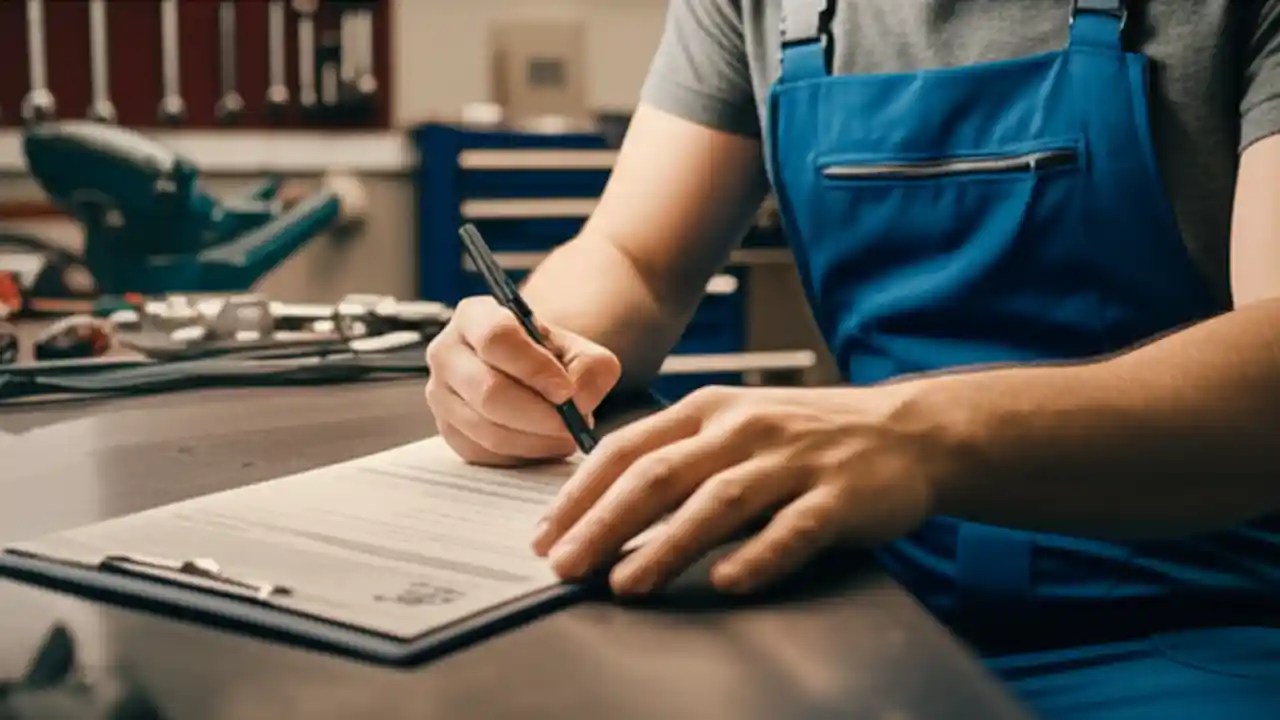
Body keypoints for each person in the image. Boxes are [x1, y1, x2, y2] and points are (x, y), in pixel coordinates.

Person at [425, 1, 1280, 717]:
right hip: (863, 598)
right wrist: (537, 353)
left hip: (1201, 617)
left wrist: (916, 438)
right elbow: (633, 257)